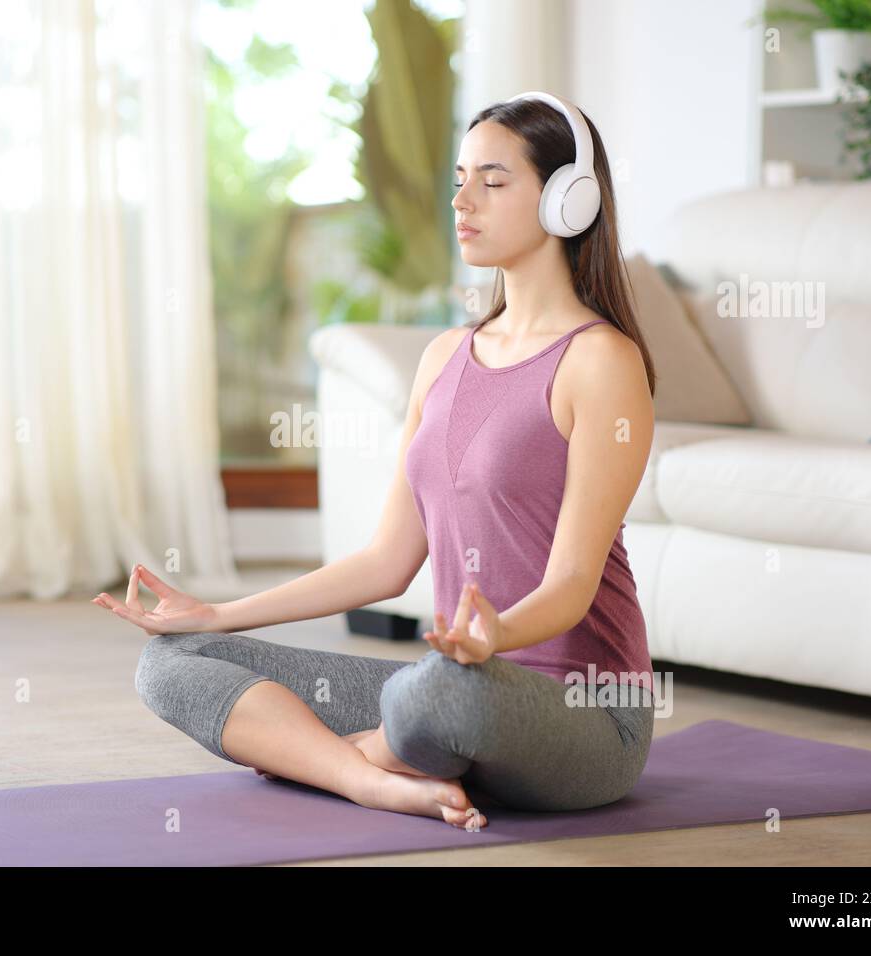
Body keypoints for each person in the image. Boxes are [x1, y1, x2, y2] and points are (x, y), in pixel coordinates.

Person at [96, 92, 659, 830]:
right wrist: (218, 613)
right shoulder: (442, 358)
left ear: (567, 201)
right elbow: (387, 563)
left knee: (434, 695)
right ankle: (372, 780)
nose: (463, 200)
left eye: (493, 181)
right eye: (459, 178)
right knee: (174, 661)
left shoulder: (601, 361)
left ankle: (347, 753)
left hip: (581, 715)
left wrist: (494, 638)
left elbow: (573, 584)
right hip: (456, 682)